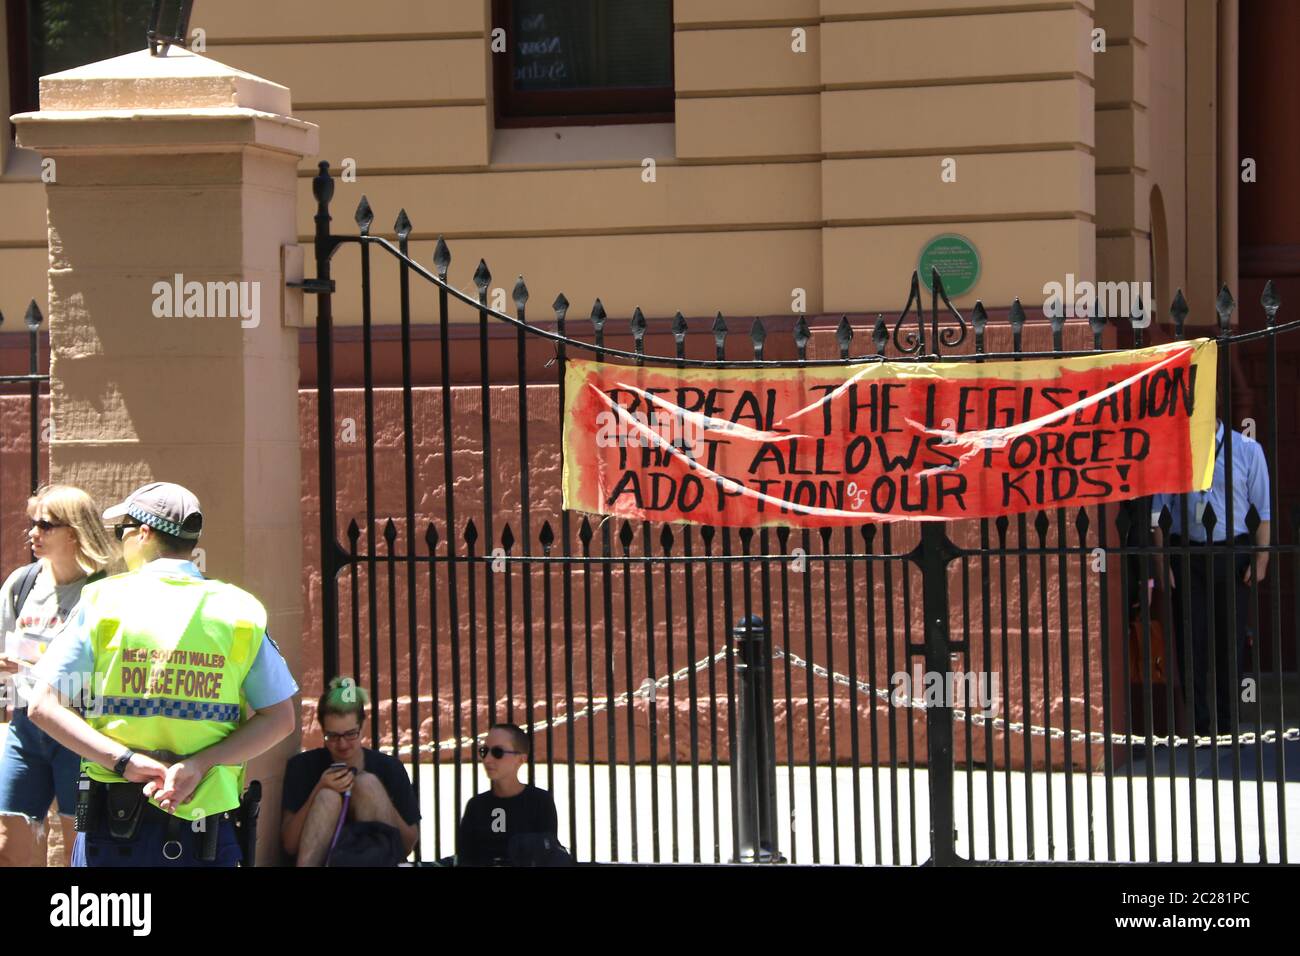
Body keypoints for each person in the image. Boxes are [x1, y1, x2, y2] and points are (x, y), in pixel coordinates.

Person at [27, 481, 298, 866]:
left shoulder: (104, 600)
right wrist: (198, 765)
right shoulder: (240, 610)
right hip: (204, 829)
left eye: (122, 532)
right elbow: (280, 718)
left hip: (113, 828)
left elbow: (41, 706)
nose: (121, 543)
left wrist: (124, 762)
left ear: (143, 533)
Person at [0, 485, 120, 866]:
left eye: (44, 525)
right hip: (25, 726)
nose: (33, 533)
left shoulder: (104, 592)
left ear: (74, 532)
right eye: (32, 523)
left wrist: (40, 660)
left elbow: (111, 667)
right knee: (7, 844)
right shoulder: (22, 584)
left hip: (80, 730)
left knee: (80, 848)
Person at [1153, 416, 1270, 736]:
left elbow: (1263, 510)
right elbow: (1157, 511)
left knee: (1230, 640)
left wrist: (1261, 558)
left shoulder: (1246, 449)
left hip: (1231, 554)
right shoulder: (1173, 449)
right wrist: (1161, 563)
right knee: (1191, 640)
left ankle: (1230, 724)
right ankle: (1201, 726)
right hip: (1187, 554)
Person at [281, 677, 419, 866]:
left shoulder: (389, 767)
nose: (342, 744)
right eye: (333, 736)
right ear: (322, 730)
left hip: (378, 859)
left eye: (350, 734)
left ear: (362, 727)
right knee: (327, 797)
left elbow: (408, 844)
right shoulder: (303, 766)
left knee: (367, 783)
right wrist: (319, 788)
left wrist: (379, 796)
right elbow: (289, 845)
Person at [456, 724, 563, 866]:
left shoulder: (540, 801)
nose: (487, 759)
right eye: (484, 751)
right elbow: (465, 858)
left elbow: (547, 854)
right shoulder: (476, 805)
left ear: (521, 759)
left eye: (497, 752)